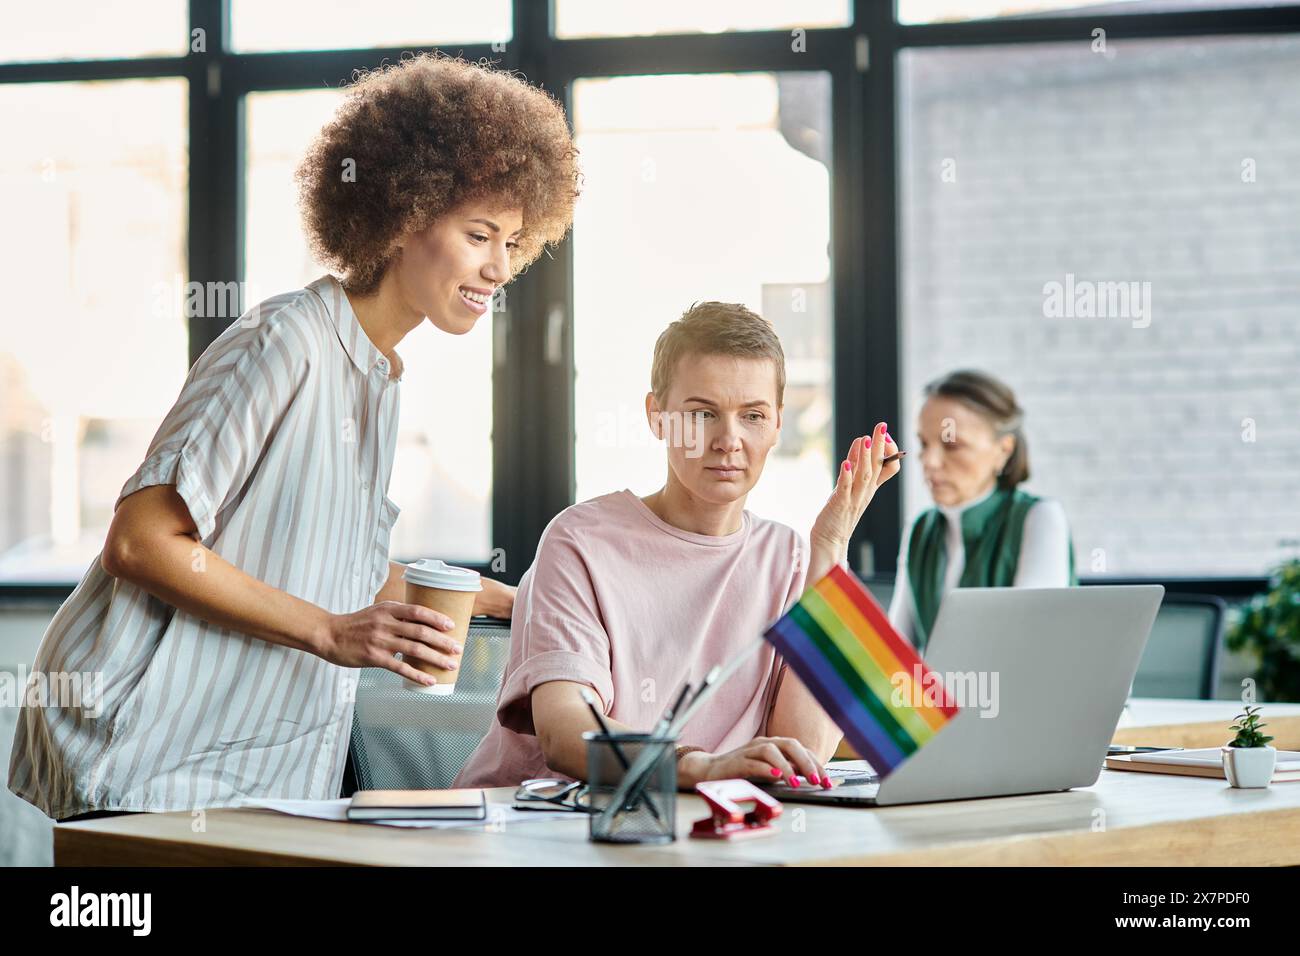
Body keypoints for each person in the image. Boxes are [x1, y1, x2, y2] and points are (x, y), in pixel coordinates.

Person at [8, 55, 580, 820]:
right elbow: (139, 542)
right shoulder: (287, 339)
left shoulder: (375, 376)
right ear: (404, 212)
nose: (499, 266)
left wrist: (510, 600)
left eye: (513, 243)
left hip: (253, 770)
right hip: (156, 752)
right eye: (480, 234)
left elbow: (326, 564)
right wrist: (330, 633)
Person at [454, 301, 900, 791]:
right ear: (657, 416)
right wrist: (699, 766)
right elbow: (565, 733)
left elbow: (800, 754)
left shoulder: (794, 558)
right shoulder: (580, 539)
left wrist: (830, 549)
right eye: (702, 414)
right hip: (533, 831)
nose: (729, 440)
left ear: (776, 425)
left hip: (692, 833)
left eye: (752, 415)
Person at [888, 369, 1076, 652]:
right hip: (933, 696)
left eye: (952, 445)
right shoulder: (921, 529)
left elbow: (1029, 646)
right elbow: (895, 648)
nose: (929, 460)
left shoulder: (1039, 518)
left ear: (1003, 450)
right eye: (924, 443)